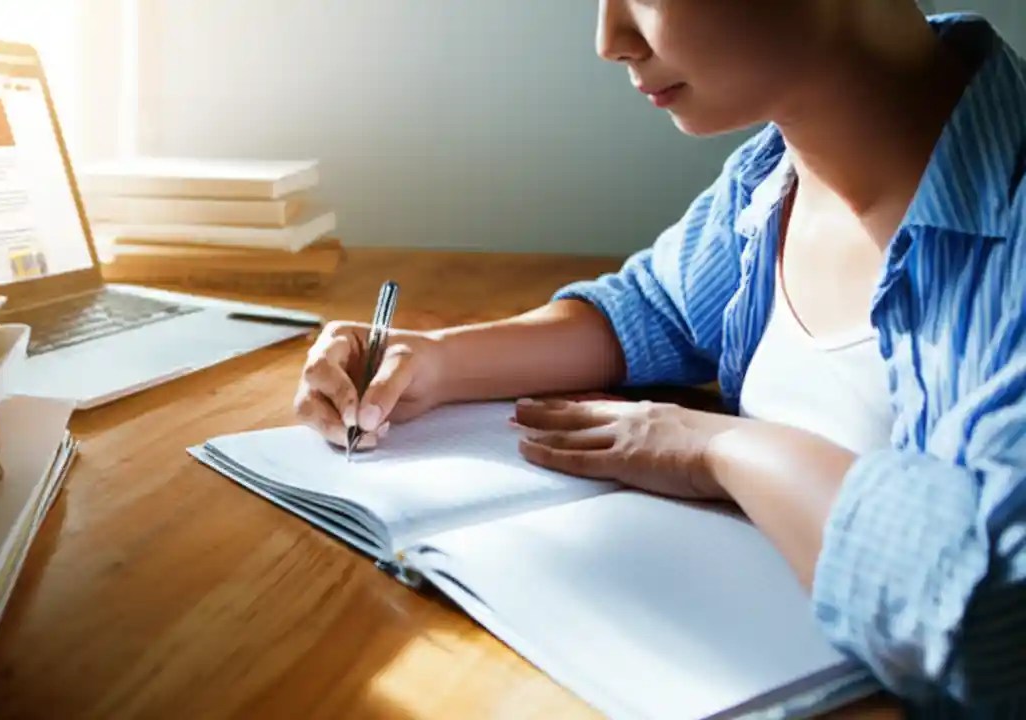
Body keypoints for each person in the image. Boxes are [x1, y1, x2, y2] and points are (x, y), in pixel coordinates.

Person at [293, 1, 1026, 714]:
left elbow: (994, 616)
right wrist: (438, 360)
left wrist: (722, 449)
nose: (609, 39)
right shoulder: (767, 180)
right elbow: (652, 308)